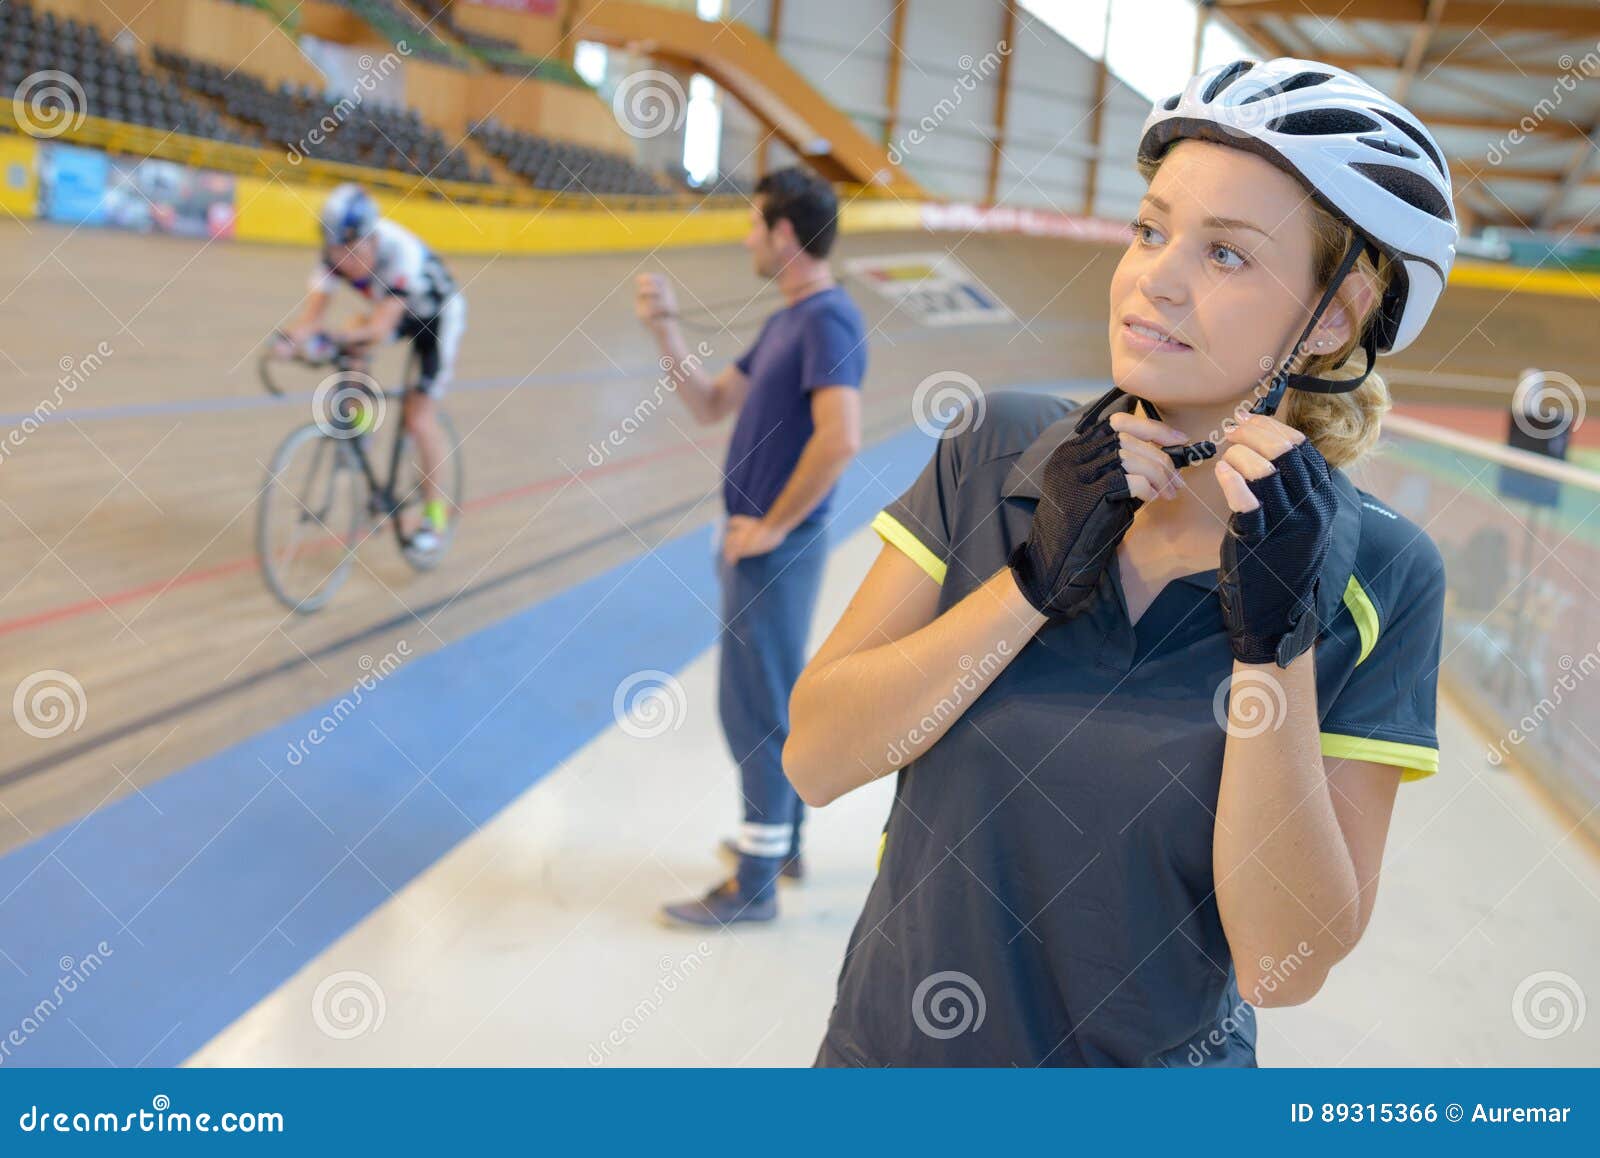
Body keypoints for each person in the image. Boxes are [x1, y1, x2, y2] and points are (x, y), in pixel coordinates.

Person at [785, 58, 1456, 1065]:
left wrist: (1273, 651)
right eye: (1151, 231)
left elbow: (1283, 964)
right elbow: (816, 759)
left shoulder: (1384, 572)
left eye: (1226, 255)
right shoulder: (996, 452)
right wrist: (1026, 589)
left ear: (1331, 315)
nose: (1158, 278)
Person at [635, 167, 868, 928]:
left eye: (752, 225)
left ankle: (755, 885)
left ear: (783, 236)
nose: (745, 239)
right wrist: (665, 329)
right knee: (765, 699)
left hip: (775, 549)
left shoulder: (827, 321)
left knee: (753, 709)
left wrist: (771, 525)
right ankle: (781, 846)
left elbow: (841, 440)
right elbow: (709, 403)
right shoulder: (786, 322)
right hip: (756, 547)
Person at [276, 183, 467, 553]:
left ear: (370, 240)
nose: (340, 259)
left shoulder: (400, 254)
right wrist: (288, 340)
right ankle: (364, 428)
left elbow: (378, 330)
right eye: (333, 248)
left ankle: (435, 520)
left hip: (438, 318)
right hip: (399, 311)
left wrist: (330, 339)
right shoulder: (332, 256)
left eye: (348, 248)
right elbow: (311, 318)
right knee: (350, 334)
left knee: (418, 416)